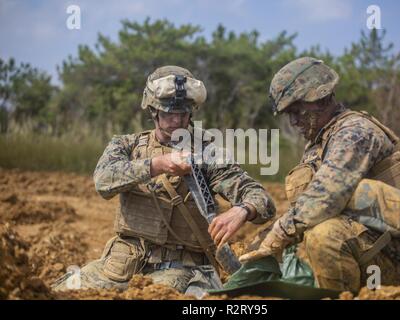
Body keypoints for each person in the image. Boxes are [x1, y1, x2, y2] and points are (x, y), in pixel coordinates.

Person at [53, 65, 275, 297]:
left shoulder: (208, 153)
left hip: (181, 270)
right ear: (153, 111)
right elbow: (103, 181)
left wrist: (242, 210)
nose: (176, 121)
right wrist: (157, 164)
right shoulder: (127, 145)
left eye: (183, 114)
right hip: (119, 265)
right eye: (169, 113)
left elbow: (262, 200)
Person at [240, 57, 400, 293]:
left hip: (399, 250)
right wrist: (263, 241)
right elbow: (304, 206)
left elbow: (325, 196)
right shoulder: (319, 143)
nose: (294, 121)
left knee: (325, 237)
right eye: (288, 114)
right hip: (365, 241)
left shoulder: (354, 133)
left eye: (297, 110)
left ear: (320, 98)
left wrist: (279, 235)